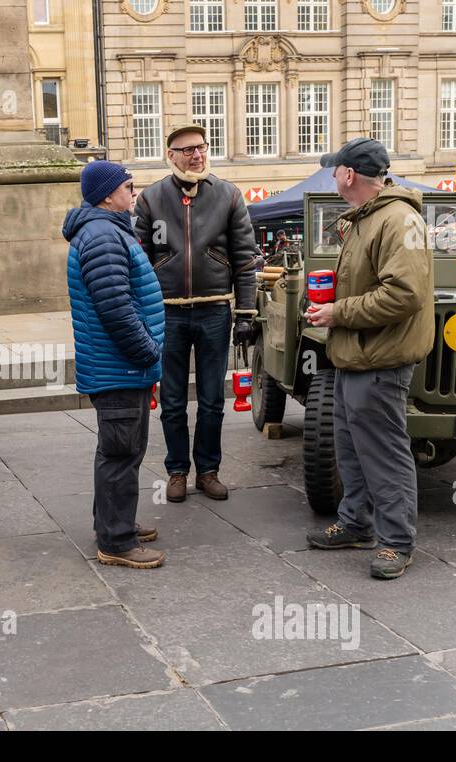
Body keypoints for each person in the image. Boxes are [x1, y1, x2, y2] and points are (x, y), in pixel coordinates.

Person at [303, 137, 433, 581]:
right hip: (356, 354)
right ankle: (356, 523)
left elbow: (405, 293)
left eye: (335, 169)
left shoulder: (396, 219)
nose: (332, 176)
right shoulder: (369, 218)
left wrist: (337, 311)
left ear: (349, 175)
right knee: (352, 449)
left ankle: (397, 542)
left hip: (379, 357)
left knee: (383, 452)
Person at [135, 123, 260, 503]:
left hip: (214, 312)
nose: (197, 155)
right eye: (187, 149)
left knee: (211, 400)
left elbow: (244, 259)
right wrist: (143, 312)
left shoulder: (228, 195)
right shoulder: (151, 199)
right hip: (167, 313)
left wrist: (246, 312)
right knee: (171, 400)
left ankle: (208, 470)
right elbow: (139, 261)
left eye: (202, 147)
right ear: (170, 155)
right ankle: (176, 471)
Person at [63, 160, 166, 569]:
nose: (134, 193)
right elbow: (115, 308)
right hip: (120, 366)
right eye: (128, 186)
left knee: (120, 450)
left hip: (119, 366)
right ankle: (117, 542)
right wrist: (146, 351)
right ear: (108, 195)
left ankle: (113, 523)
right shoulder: (104, 235)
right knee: (121, 452)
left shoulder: (106, 230)